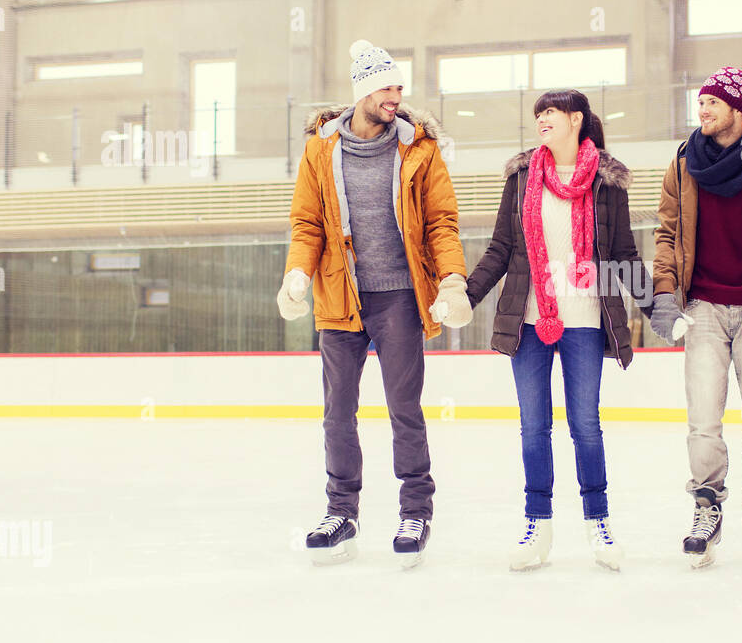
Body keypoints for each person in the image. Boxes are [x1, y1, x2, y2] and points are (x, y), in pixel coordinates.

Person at [277, 39, 472, 568]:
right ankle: (341, 512)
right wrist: (297, 271)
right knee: (337, 413)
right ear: (362, 91)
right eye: (387, 87)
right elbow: (308, 223)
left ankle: (416, 510)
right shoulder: (320, 149)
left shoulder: (419, 148)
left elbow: (440, 222)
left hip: (401, 299)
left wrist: (452, 280)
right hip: (341, 296)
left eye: (399, 88)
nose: (396, 96)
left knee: (404, 409)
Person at [465, 89, 653, 572]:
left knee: (585, 425)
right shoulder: (522, 178)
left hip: (586, 321)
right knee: (534, 427)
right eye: (538, 113)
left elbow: (625, 256)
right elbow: (500, 250)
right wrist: (466, 295)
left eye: (551, 112)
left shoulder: (607, 183)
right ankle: (537, 523)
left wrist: (661, 308)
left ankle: (599, 521)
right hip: (529, 319)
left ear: (576, 119)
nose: (542, 119)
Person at [649, 67, 742, 569]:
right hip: (704, 310)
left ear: (739, 109)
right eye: (701, 103)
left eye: (714, 103)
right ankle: (706, 505)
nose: (704, 111)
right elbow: (667, 233)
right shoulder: (683, 163)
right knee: (704, 420)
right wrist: (666, 297)